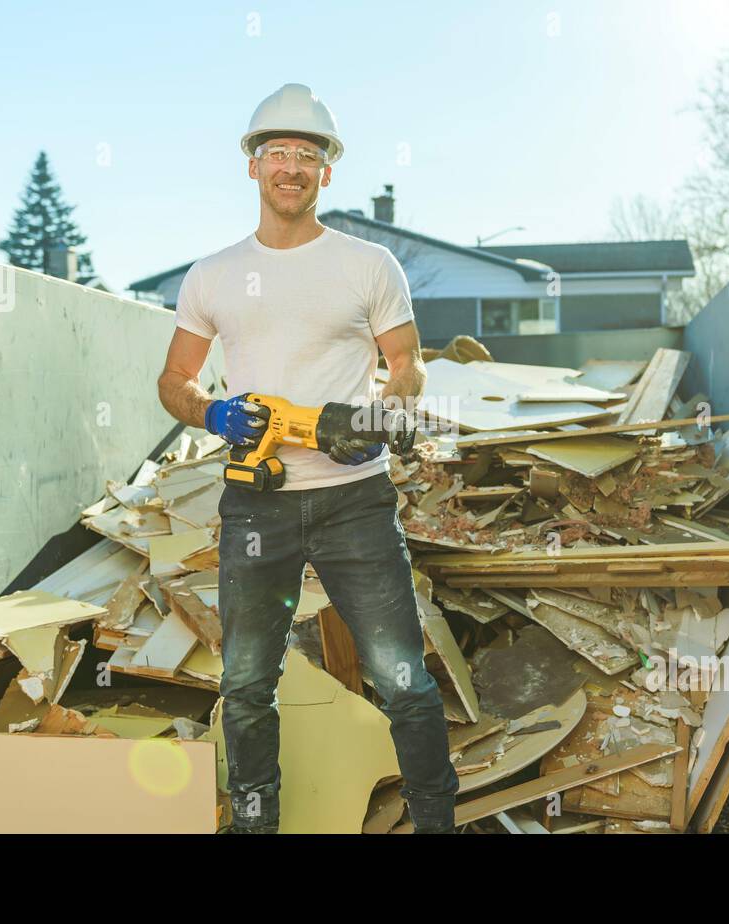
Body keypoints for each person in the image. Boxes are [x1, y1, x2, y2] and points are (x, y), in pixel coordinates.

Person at [157, 83, 459, 834]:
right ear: (252, 168)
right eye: (276, 153)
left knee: (403, 679)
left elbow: (407, 364)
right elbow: (174, 379)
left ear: (327, 172)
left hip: (354, 497)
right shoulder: (212, 275)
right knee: (249, 682)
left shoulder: (368, 264)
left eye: (306, 154)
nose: (290, 166)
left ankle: (437, 823)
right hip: (258, 501)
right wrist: (214, 411)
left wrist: (382, 411)